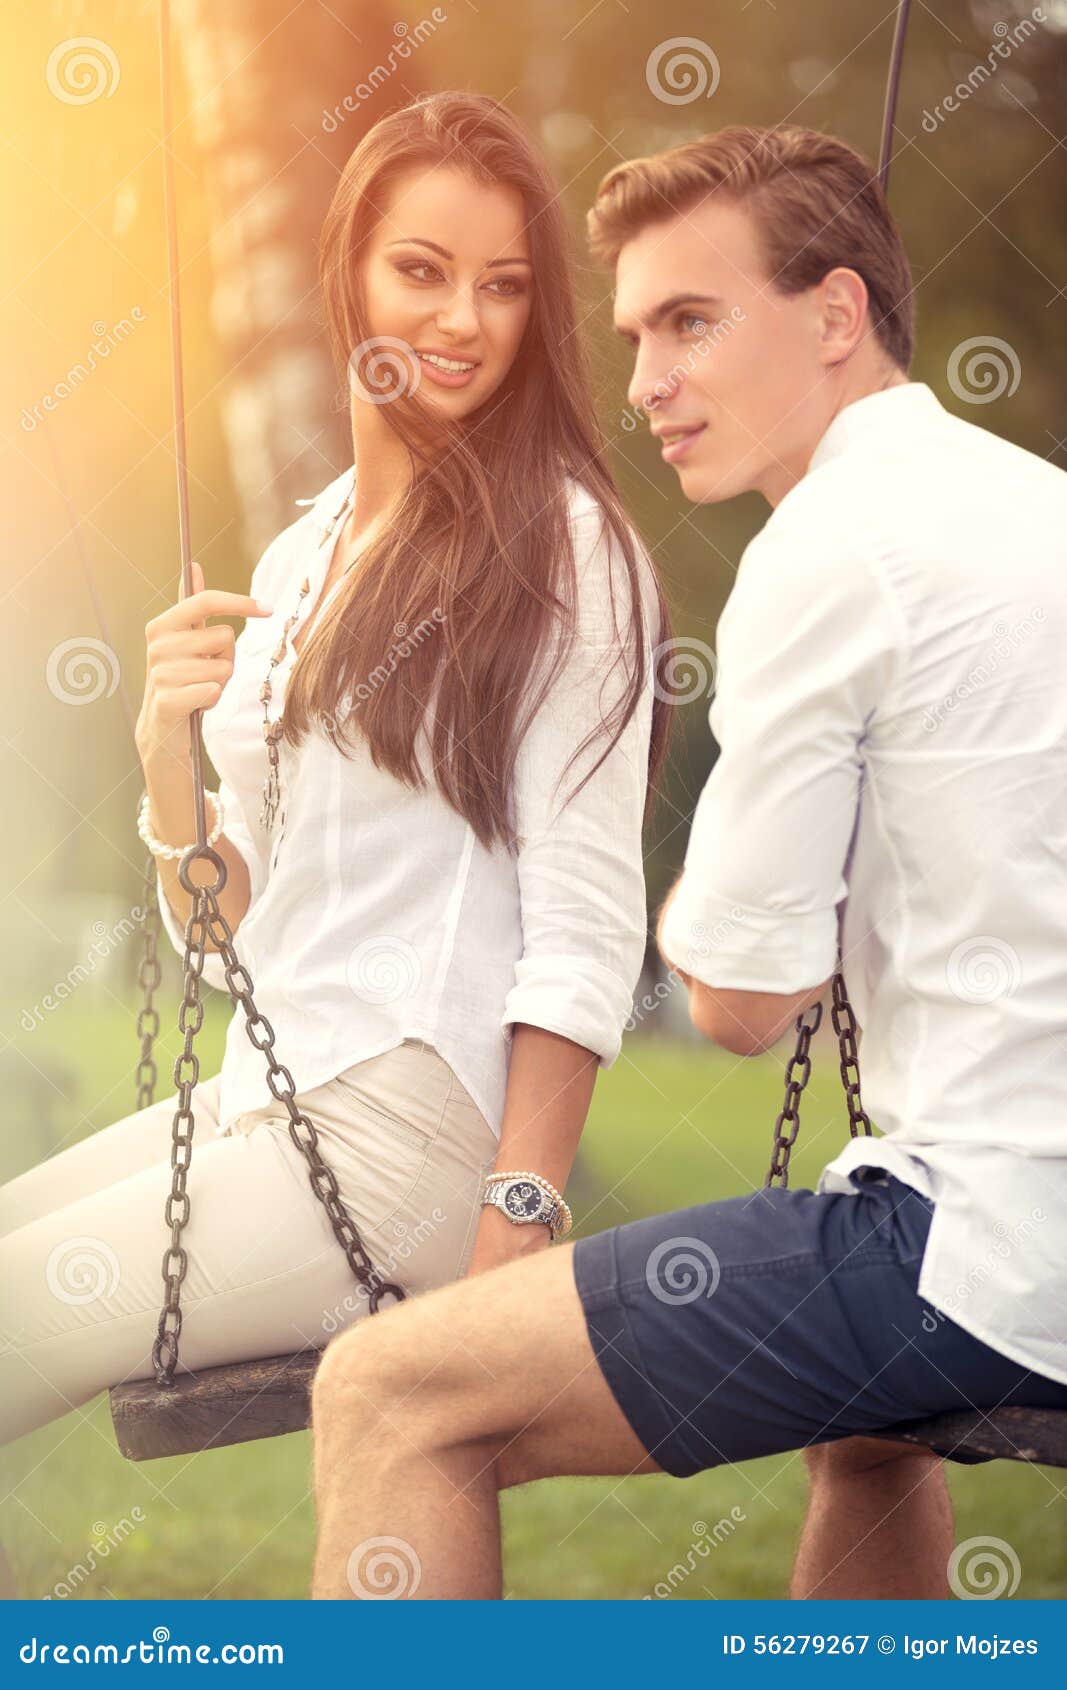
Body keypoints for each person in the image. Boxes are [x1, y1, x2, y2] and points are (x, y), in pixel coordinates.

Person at [308, 123, 1067, 1602]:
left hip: (996, 1242)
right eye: (638, 333)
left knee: (390, 1392)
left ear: (837, 317)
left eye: (692, 322)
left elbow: (735, 993)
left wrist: (722, 899)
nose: (649, 380)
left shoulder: (826, 546)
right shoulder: (1036, 503)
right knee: (867, 1441)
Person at [0, 92, 671, 1446]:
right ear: (348, 272)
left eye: (503, 288)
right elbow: (228, 937)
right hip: (271, 1093)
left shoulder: (566, 547)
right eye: (420, 271)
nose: (462, 320)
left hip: (411, 1133)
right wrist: (164, 762)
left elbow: (589, 923)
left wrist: (519, 1218)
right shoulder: (305, 552)